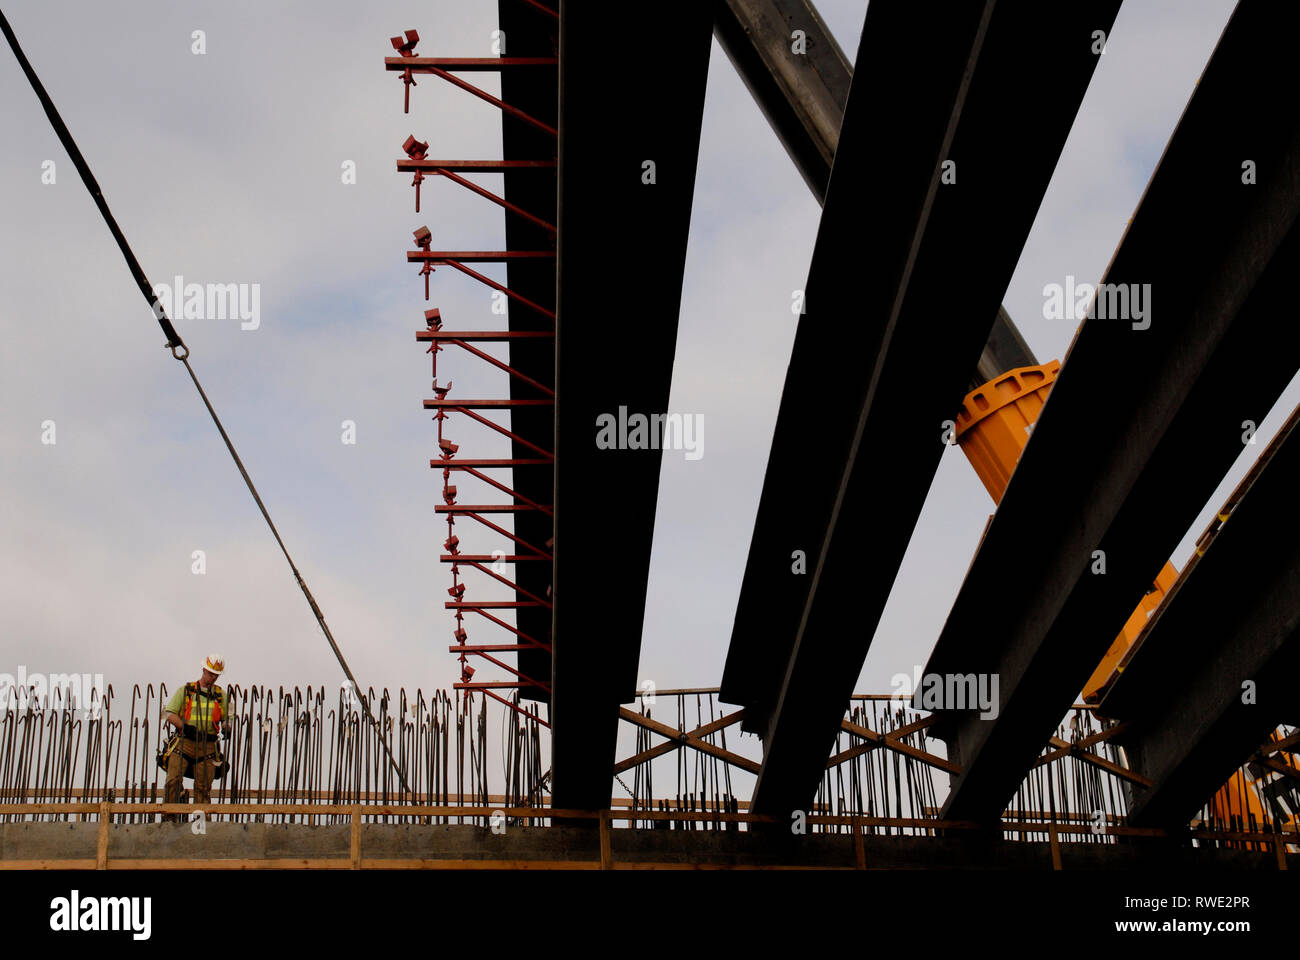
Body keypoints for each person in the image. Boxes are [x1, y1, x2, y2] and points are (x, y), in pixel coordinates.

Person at [162, 655, 228, 818]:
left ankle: (201, 824)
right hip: (186, 742)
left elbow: (229, 716)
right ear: (204, 670)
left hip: (208, 746)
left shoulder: (221, 695)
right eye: (210, 673)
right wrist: (184, 727)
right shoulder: (185, 690)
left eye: (216, 675)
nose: (213, 678)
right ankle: (169, 820)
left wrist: (227, 726)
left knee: (203, 786)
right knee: (173, 780)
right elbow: (168, 713)